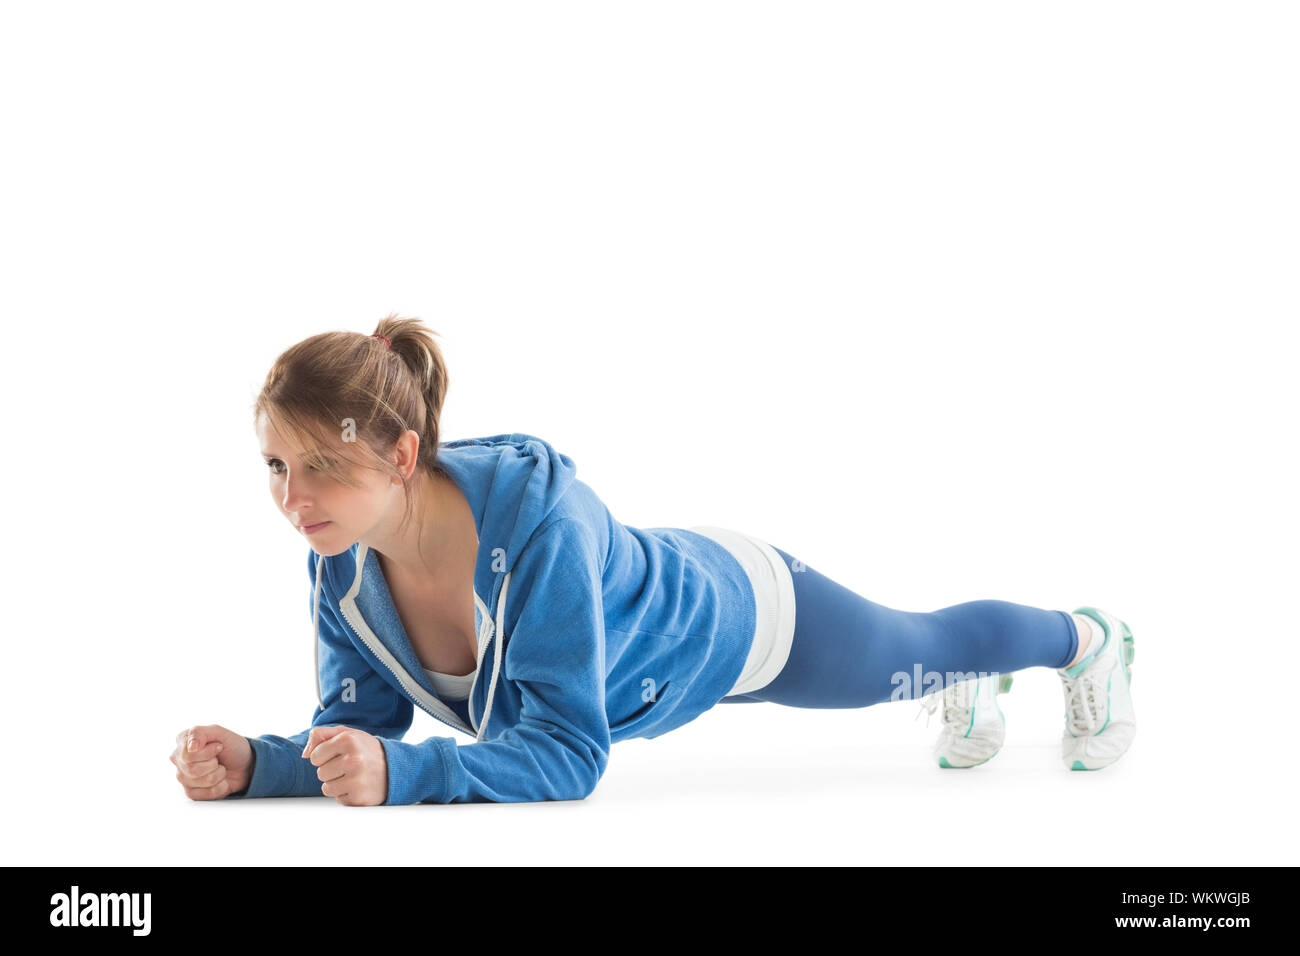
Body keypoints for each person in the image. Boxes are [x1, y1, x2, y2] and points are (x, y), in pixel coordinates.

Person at [169, 314, 1137, 806]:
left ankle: (1083, 639)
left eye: (322, 467)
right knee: (919, 661)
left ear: (402, 454)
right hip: (647, 653)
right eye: (276, 466)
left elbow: (565, 752)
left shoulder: (538, 527)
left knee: (918, 644)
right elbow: (358, 728)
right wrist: (262, 764)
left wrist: (407, 777)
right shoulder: (340, 559)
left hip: (737, 617)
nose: (292, 501)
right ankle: (964, 686)